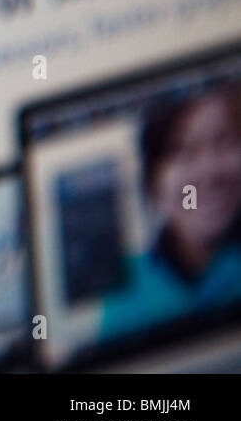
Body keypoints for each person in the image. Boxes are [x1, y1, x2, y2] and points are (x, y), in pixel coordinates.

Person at [100, 86, 241, 341]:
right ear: (153, 181)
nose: (210, 172)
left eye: (225, 141)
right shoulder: (123, 291)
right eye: (183, 151)